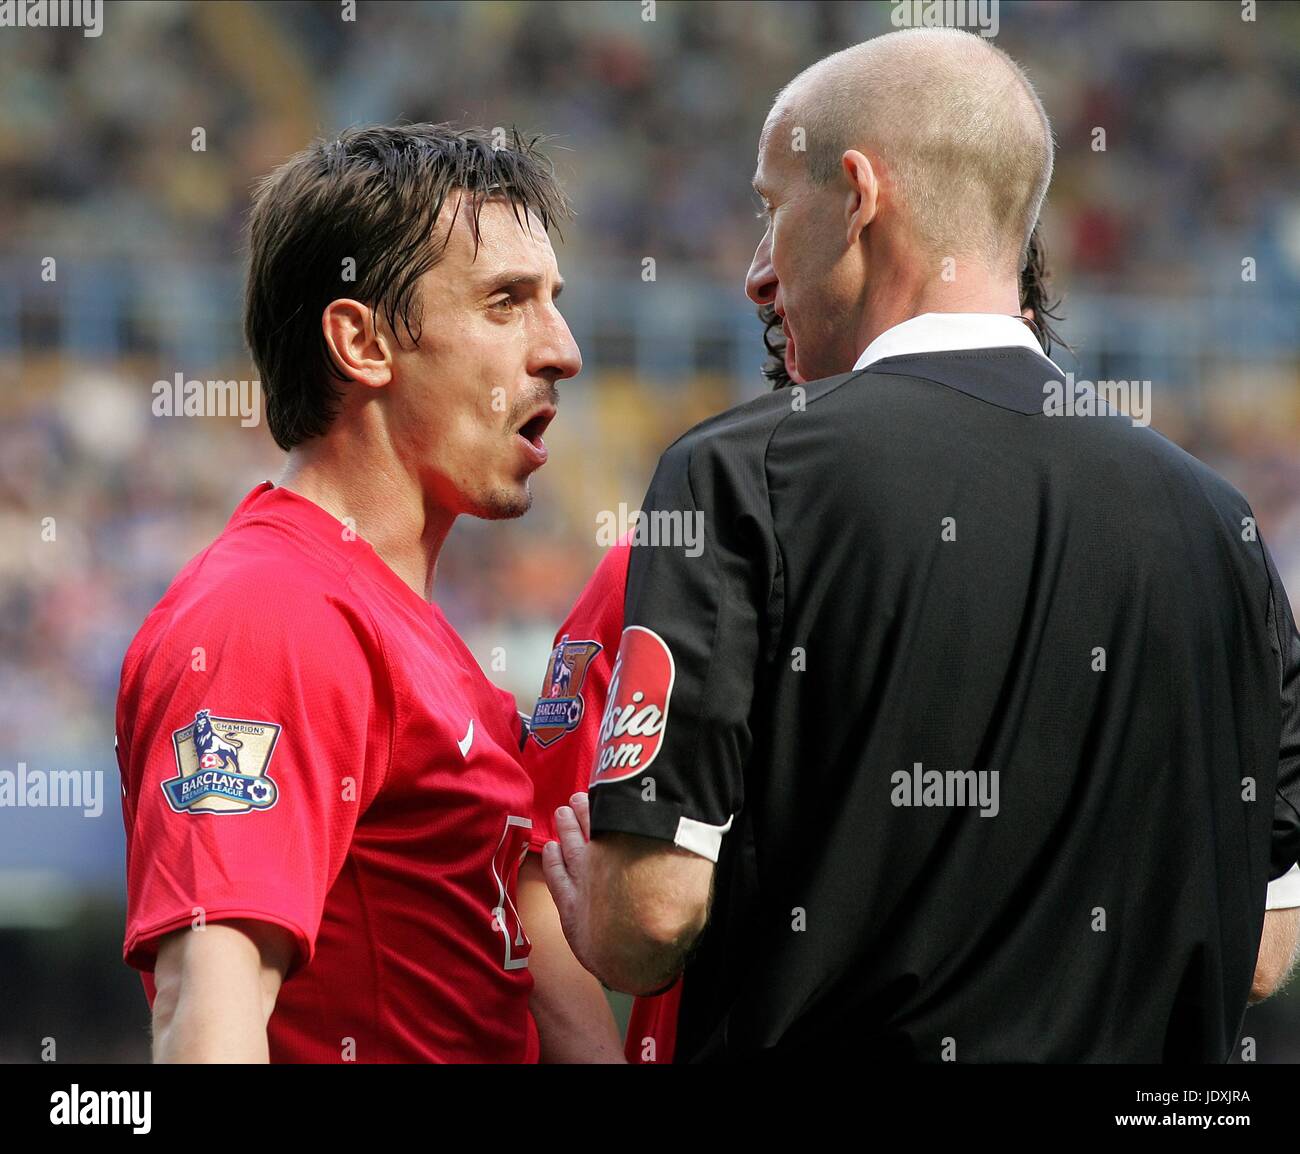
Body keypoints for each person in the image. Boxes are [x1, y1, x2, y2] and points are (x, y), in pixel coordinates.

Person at [542, 28, 1300, 1062]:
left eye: (770, 209)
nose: (759, 273)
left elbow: (652, 914)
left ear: (857, 194)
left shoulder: (742, 472)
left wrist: (606, 925)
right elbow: (1262, 942)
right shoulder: (1225, 527)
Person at [115, 123, 588, 1062]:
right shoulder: (269, 616)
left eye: (554, 304)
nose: (562, 351)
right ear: (360, 341)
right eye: (506, 304)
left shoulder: (403, 631)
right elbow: (206, 1021)